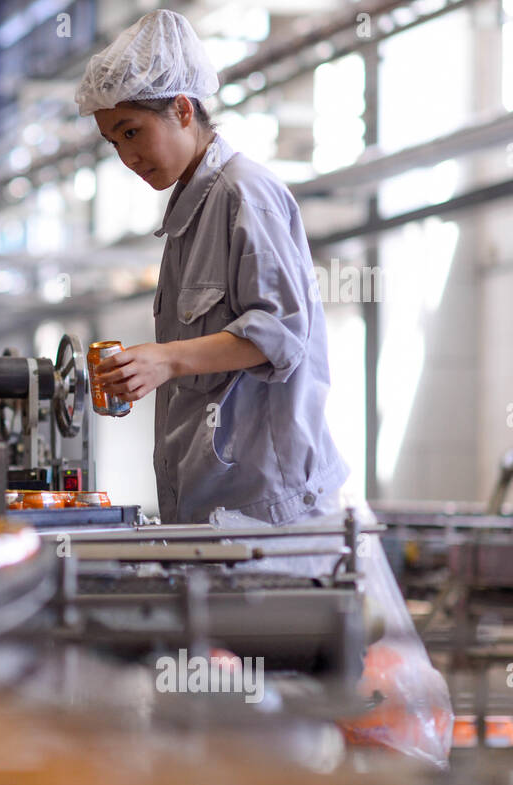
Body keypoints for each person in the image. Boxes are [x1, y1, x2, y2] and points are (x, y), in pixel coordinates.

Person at [78, 9, 349, 525]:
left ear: (182, 109)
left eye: (132, 132)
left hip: (268, 516)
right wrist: (156, 365)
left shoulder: (244, 194)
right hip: (217, 509)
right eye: (114, 143)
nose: (126, 157)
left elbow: (280, 336)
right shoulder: (189, 215)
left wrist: (167, 360)